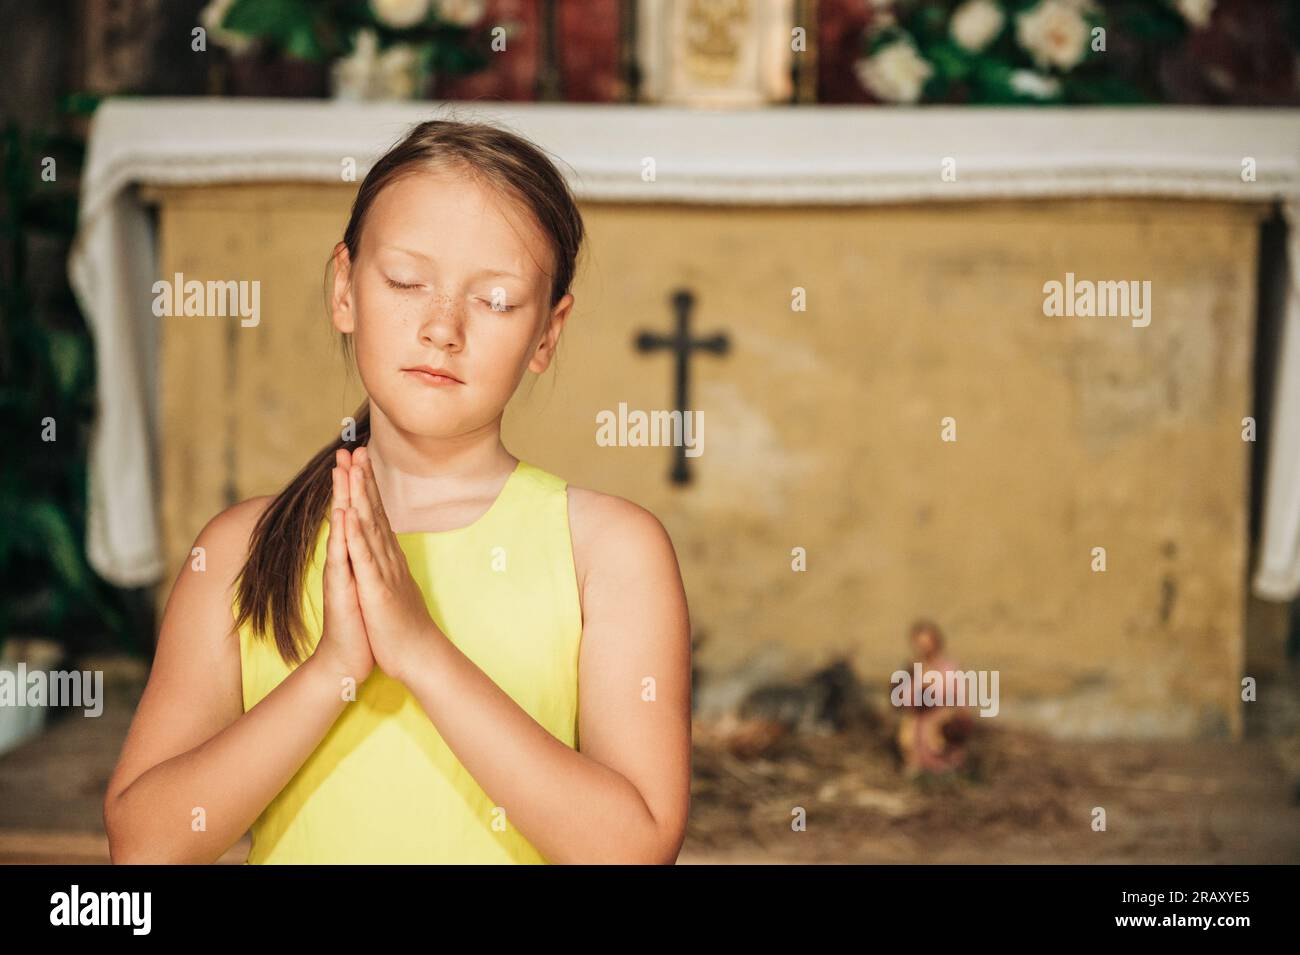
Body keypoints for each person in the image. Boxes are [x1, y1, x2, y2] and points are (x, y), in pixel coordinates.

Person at [103, 119, 693, 864]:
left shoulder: (607, 552)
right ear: (344, 288)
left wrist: (419, 650)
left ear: (548, 331)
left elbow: (633, 852)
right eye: (408, 282)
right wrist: (333, 671)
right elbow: (146, 845)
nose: (442, 327)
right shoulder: (238, 550)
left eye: (499, 299)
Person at [895, 619, 972, 779]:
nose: (923, 647)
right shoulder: (913, 669)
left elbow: (955, 698)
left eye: (927, 642)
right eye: (919, 643)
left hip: (939, 727)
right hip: (917, 729)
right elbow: (904, 699)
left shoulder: (948, 668)